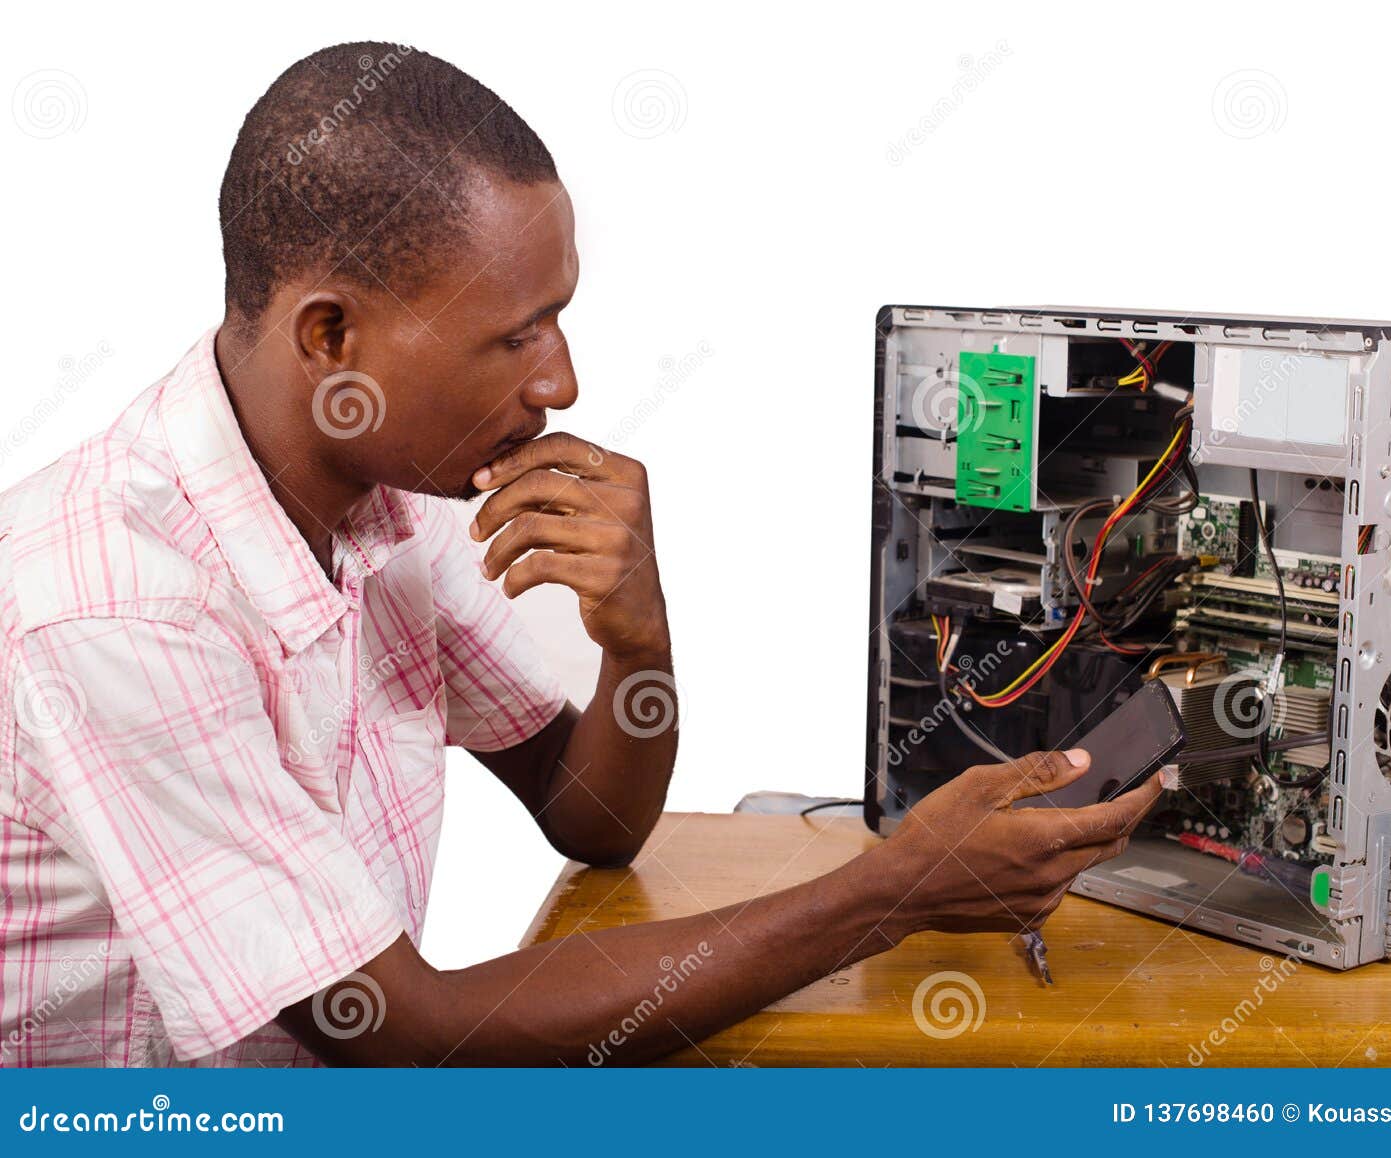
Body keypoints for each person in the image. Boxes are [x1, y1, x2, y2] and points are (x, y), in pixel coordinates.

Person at [0, 42, 1159, 1067]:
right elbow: (399, 1033)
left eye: (555, 317)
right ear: (331, 337)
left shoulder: (382, 497)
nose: (560, 383)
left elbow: (590, 815)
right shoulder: (119, 605)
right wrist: (891, 893)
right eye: (513, 335)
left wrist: (635, 636)